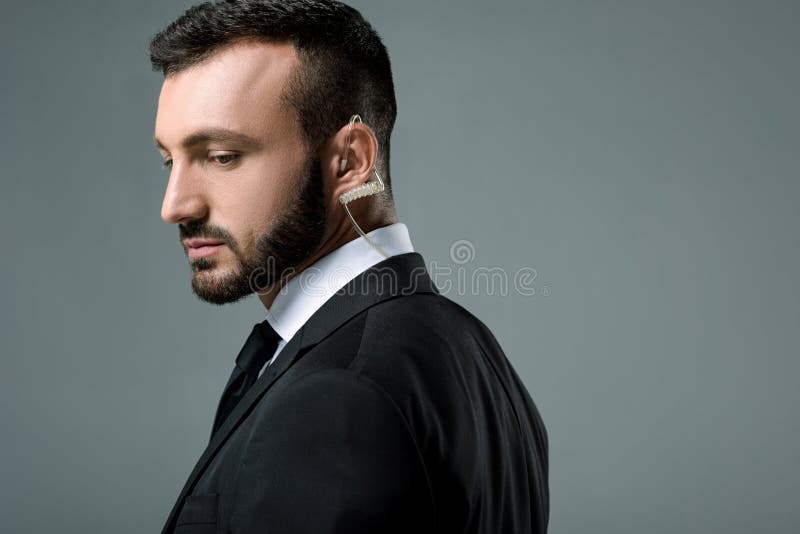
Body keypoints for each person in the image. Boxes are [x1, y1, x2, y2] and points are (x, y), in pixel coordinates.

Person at [149, 1, 548, 532]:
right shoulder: (476, 354)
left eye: (222, 156)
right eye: (169, 161)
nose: (175, 205)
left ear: (350, 161)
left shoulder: (334, 396)